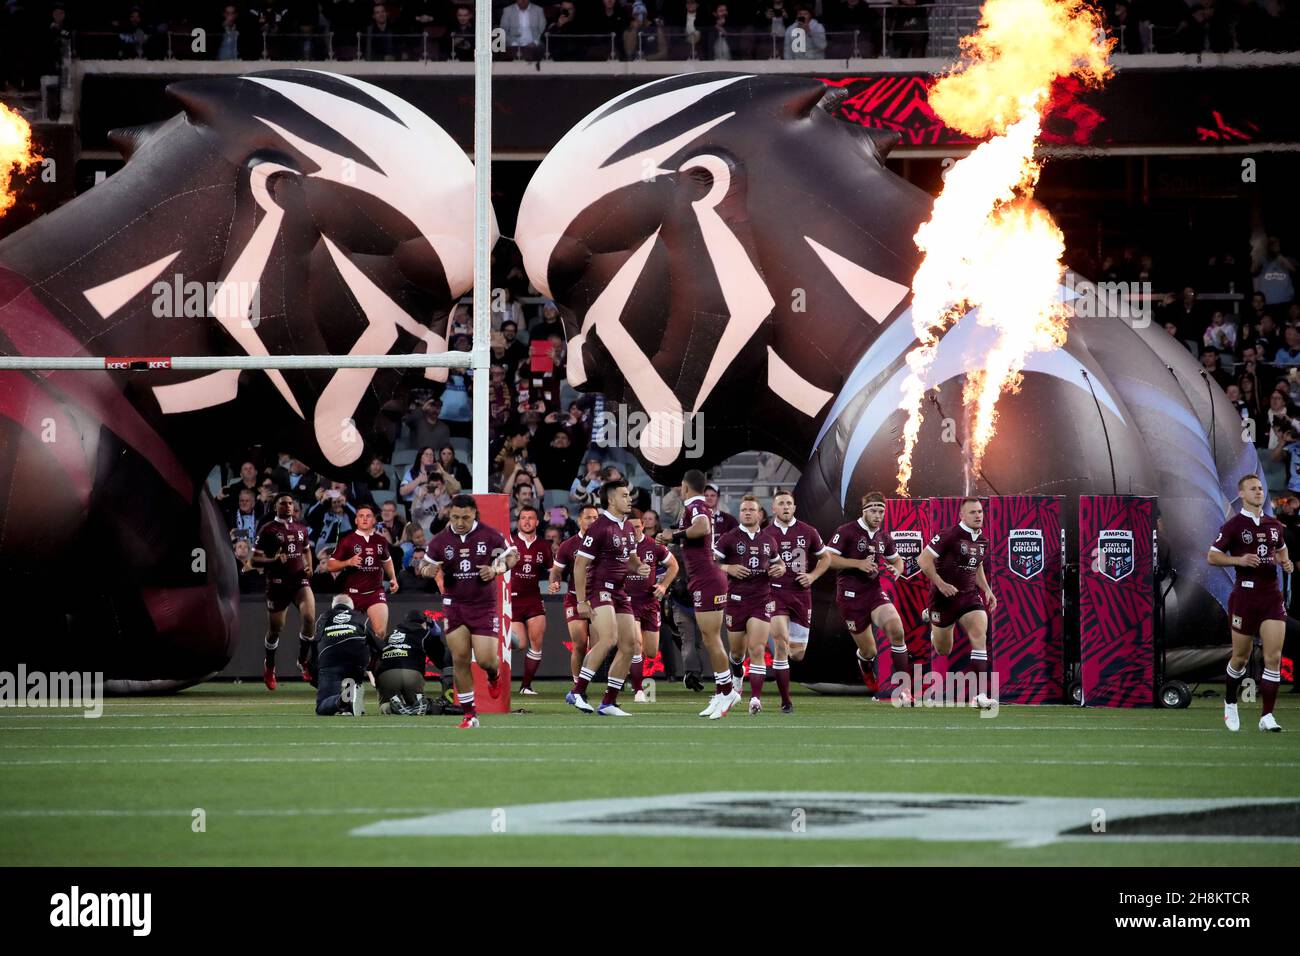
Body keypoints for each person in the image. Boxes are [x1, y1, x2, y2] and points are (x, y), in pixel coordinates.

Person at [417, 494, 518, 727]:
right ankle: (470, 715)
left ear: (474, 514)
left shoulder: (489, 534)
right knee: (460, 659)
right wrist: (426, 572)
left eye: (465, 517)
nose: (459, 522)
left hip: (483, 605)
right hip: (455, 606)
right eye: (455, 517)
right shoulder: (440, 540)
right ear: (449, 515)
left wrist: (496, 570)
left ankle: (494, 675)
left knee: (485, 661)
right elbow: (423, 564)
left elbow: (512, 556)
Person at [1207, 475, 1292, 731]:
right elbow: (1212, 556)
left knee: (1273, 657)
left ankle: (1267, 716)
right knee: (1241, 658)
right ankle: (1231, 702)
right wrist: (1239, 561)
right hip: (1244, 597)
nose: (1259, 491)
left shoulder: (1274, 524)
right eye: (1253, 488)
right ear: (1241, 493)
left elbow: (1281, 549)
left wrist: (1284, 562)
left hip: (1271, 597)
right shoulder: (1233, 525)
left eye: (1261, 488)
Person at [656, 468, 741, 719]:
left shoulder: (696, 506)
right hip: (703, 578)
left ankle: (727, 693)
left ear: (684, 487)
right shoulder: (697, 506)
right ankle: (723, 691)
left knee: (712, 638)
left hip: (708, 578)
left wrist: (675, 534)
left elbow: (702, 528)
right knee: (709, 637)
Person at [567, 480, 643, 716]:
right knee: (609, 638)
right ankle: (577, 691)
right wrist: (581, 601)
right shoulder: (600, 527)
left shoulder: (628, 527)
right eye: (624, 495)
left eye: (629, 495)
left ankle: (608, 702)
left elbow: (630, 560)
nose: (629, 499)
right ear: (611, 500)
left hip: (620, 590)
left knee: (630, 646)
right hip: (599, 588)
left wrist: (640, 567)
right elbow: (580, 564)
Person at [827, 492, 909, 701]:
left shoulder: (884, 536)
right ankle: (864, 662)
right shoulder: (846, 531)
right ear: (863, 511)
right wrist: (857, 563)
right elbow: (829, 559)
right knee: (870, 651)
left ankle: (903, 690)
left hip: (874, 593)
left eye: (881, 511)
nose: (878, 515)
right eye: (873, 510)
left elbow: (898, 560)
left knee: (897, 630)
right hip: (850, 596)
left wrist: (897, 570)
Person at [918, 497, 998, 709]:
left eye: (980, 511)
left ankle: (980, 696)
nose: (978, 515)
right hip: (943, 599)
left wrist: (987, 590)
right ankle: (933, 625)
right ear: (962, 515)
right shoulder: (949, 535)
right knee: (944, 649)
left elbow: (977, 565)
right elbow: (923, 560)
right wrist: (941, 584)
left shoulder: (983, 540)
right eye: (973, 512)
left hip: (969, 597)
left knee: (980, 634)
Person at [715, 494, 785, 715]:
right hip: (736, 601)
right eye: (743, 509)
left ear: (759, 514)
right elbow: (711, 563)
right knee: (737, 652)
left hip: (761, 599)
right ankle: (737, 674)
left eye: (751, 510)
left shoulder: (769, 540)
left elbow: (778, 562)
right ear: (740, 513)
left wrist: (781, 568)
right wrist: (729, 569)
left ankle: (755, 698)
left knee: (757, 648)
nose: (747, 512)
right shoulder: (729, 538)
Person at [766, 489, 831, 711]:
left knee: (798, 653)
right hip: (775, 594)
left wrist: (812, 576)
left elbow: (826, 558)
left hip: (801, 596)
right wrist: (768, 572)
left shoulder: (808, 531)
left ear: (794, 508)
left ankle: (775, 650)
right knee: (781, 645)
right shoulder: (766, 534)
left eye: (789, 503)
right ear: (774, 508)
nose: (785, 507)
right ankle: (786, 701)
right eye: (781, 503)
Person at [251, 495, 317, 690]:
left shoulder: (301, 528)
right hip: (277, 584)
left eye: (290, 503)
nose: (288, 506)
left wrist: (310, 567)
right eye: (283, 503)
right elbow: (254, 561)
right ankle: (269, 666)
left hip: (299, 581)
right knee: (276, 629)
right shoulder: (268, 529)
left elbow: (306, 550)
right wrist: (273, 561)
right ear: (275, 507)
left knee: (309, 617)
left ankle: (303, 661)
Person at [624, 509, 678, 703]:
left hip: (650, 602)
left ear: (644, 526)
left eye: (637, 526)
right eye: (630, 527)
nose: (635, 530)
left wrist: (663, 586)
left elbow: (674, 565)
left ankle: (631, 675)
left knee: (652, 651)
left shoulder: (653, 546)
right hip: (628, 602)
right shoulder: (619, 547)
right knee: (636, 644)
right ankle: (639, 689)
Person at [326, 504, 399, 641]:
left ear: (374, 521)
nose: (365, 519)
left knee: (380, 632)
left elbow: (387, 560)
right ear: (356, 521)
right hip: (352, 594)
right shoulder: (347, 541)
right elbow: (330, 565)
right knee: (349, 634)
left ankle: (372, 663)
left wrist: (393, 578)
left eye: (368, 516)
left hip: (375, 592)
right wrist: (348, 562)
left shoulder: (381, 541)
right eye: (361, 516)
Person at [307, 595, 382, 716]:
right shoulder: (360, 617)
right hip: (356, 661)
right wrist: (374, 669)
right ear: (351, 606)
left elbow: (315, 644)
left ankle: (342, 700)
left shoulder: (323, 618)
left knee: (322, 707)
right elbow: (378, 645)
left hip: (329, 660)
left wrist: (314, 673)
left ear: (333, 606)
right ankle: (351, 698)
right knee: (358, 658)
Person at [550, 505, 601, 682]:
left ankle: (587, 681)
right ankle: (577, 684)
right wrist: (555, 581)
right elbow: (556, 570)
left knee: (597, 646)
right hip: (574, 598)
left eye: (596, 518)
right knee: (579, 645)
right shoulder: (568, 545)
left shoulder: (604, 542)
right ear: (579, 520)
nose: (593, 521)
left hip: (597, 598)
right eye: (588, 517)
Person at [510, 505, 554, 695]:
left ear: (537, 522)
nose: (526, 521)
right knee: (519, 644)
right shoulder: (508, 542)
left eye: (530, 518)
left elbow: (553, 570)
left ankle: (525, 686)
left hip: (533, 599)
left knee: (537, 642)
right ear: (518, 521)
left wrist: (554, 583)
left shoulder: (544, 546)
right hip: (511, 601)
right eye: (523, 518)